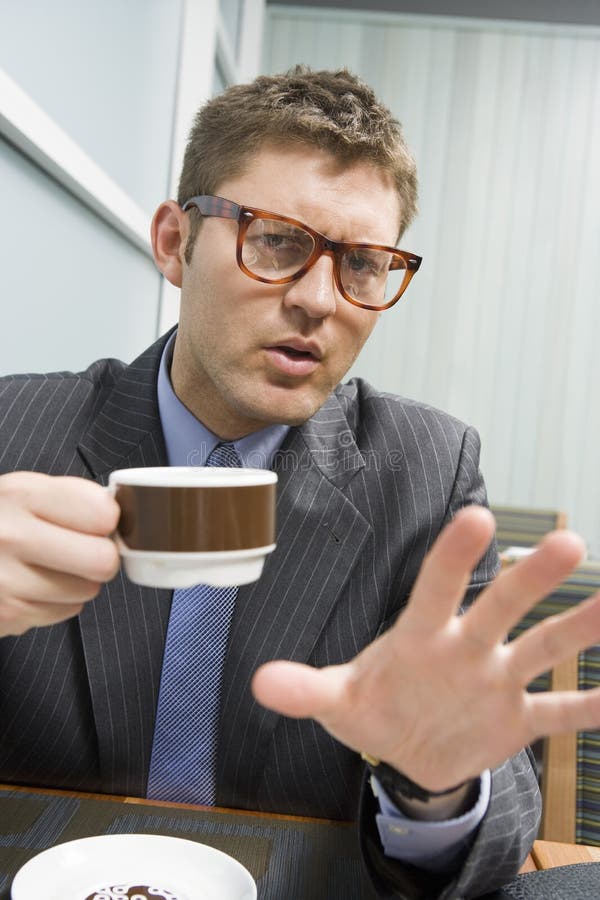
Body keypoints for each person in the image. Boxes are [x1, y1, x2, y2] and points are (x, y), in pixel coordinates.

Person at [0, 67, 598, 899]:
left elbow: (494, 821)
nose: (321, 301)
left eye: (364, 263)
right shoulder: (14, 433)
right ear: (174, 243)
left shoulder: (428, 471)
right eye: (277, 241)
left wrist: (437, 786)